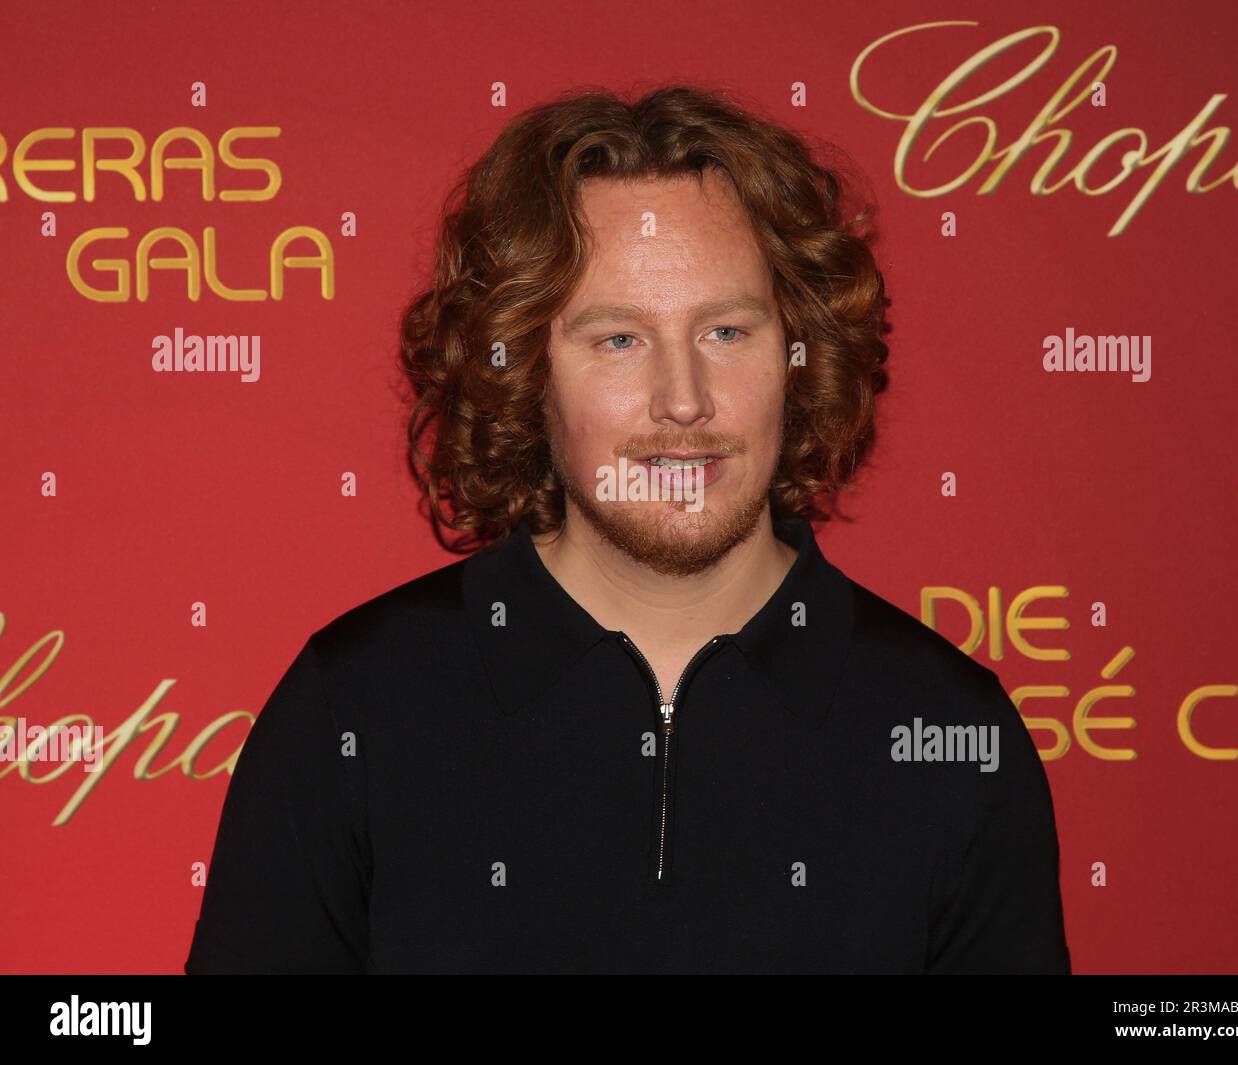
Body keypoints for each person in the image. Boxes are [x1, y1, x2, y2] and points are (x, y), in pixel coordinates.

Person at [185, 84, 1071, 974]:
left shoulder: (952, 736)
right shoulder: (355, 710)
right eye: (617, 339)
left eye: (726, 330)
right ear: (527, 371)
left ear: (799, 358)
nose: (682, 399)